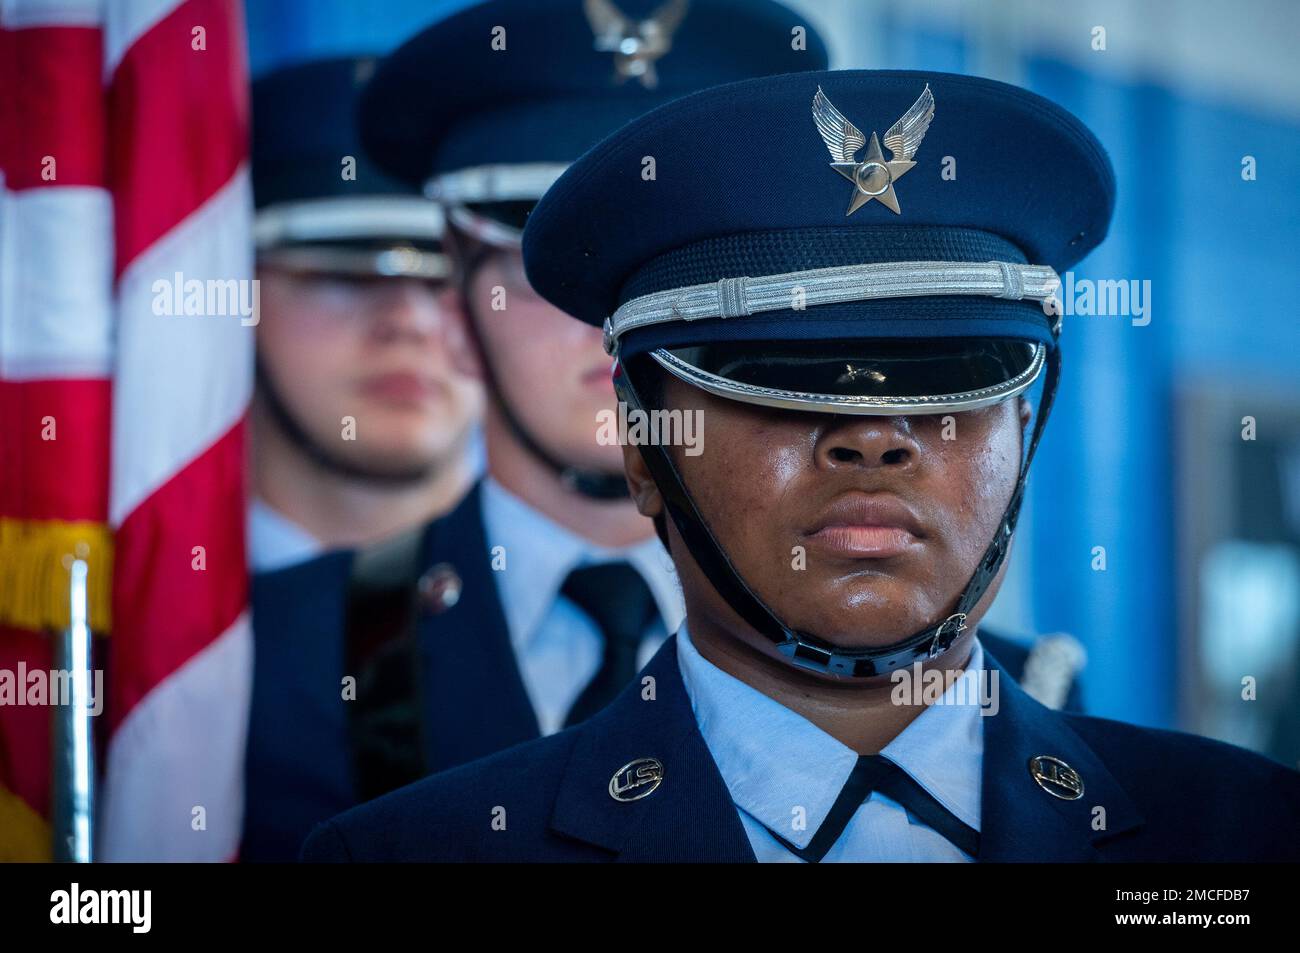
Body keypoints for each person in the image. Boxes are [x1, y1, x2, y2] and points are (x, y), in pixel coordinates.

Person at [302, 68, 1300, 862]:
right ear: (643, 447)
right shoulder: (411, 851)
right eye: (778, 382)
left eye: (950, 380)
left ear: (1026, 427)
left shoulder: (1246, 834)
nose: (872, 434)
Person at [244, 0, 832, 862]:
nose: (621, 321)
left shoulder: (930, 681)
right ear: (452, 313)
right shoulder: (255, 664)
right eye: (559, 263)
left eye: (681, 268)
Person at [241, 56, 484, 860]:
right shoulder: (120, 634)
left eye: (452, 276)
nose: (411, 320)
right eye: (344, 269)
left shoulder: (629, 614)